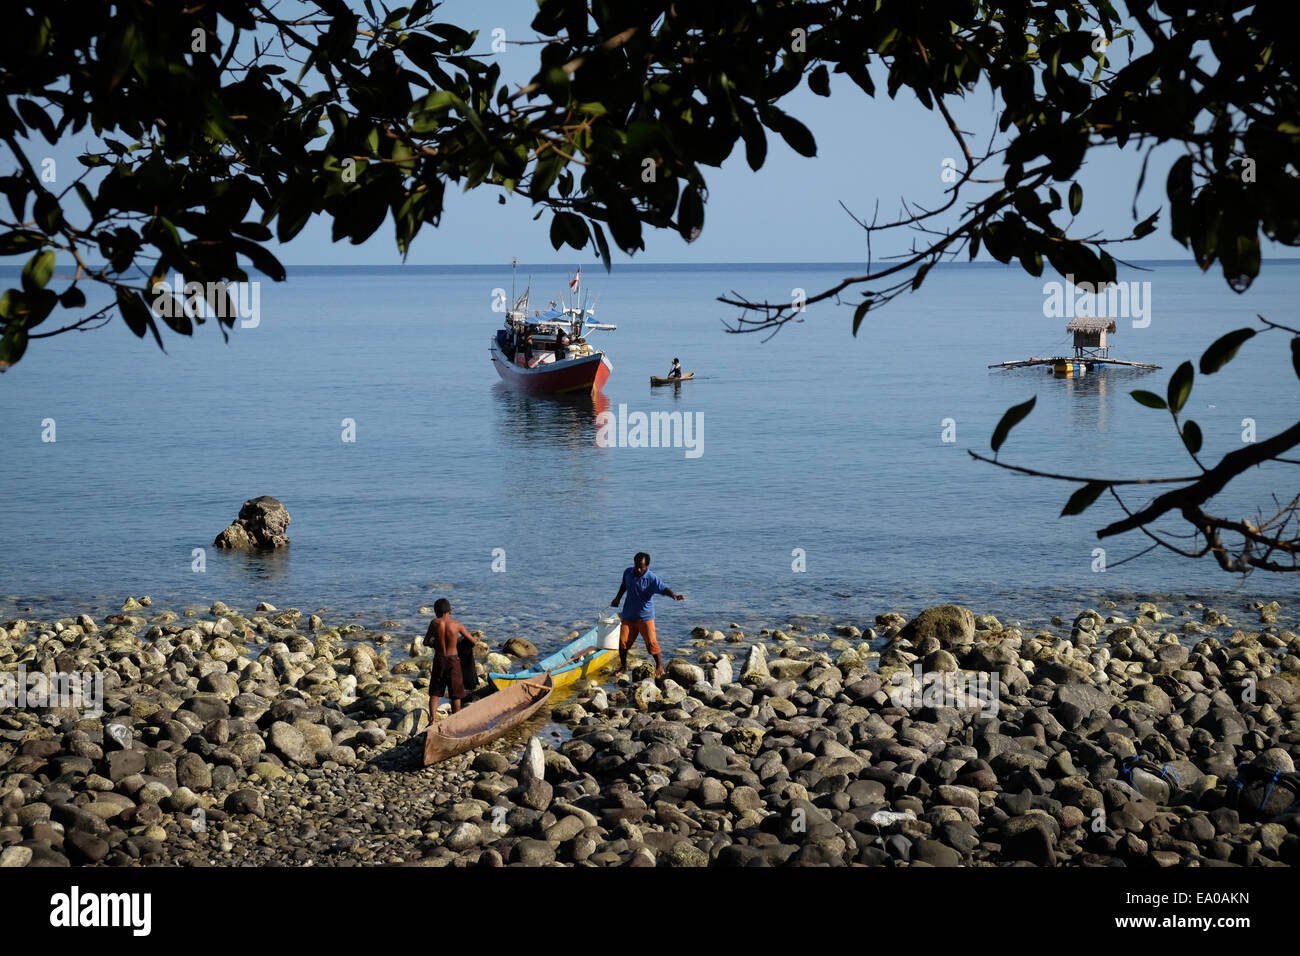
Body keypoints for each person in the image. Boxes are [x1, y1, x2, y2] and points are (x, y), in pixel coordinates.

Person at [609, 551, 684, 677]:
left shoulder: (651, 578)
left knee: (651, 643)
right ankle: (623, 667)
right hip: (628, 615)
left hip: (645, 617)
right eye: (636, 566)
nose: (638, 569)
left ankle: (659, 666)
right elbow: (624, 585)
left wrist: (674, 596)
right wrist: (617, 598)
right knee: (622, 642)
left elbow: (664, 588)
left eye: (641, 567)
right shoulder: (628, 572)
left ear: (647, 566)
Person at [425, 598, 479, 717]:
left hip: (439, 659)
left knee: (435, 692)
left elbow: (425, 642)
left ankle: (432, 720)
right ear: (451, 611)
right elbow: (472, 641)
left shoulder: (434, 623)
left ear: (436, 612)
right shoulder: (457, 625)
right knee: (455, 693)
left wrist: (434, 643)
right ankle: (455, 720)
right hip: (453, 661)